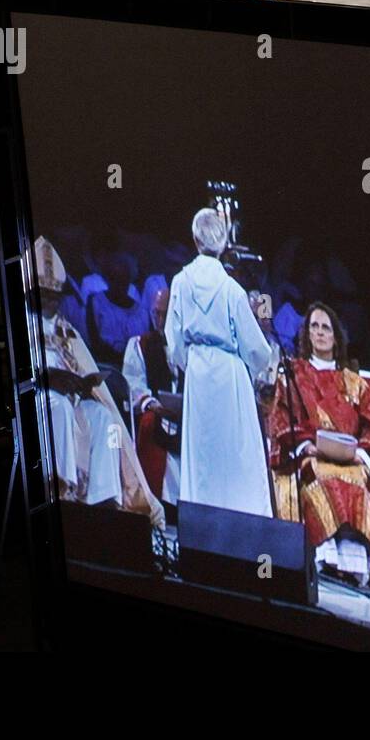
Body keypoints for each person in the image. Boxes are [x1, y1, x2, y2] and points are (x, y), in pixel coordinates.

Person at [35, 236, 164, 527]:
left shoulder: (65, 331)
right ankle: (62, 493)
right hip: (38, 397)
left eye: (55, 296)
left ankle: (104, 501)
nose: (51, 302)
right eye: (45, 294)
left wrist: (82, 383)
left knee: (104, 417)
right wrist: (48, 377)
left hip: (70, 396)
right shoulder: (22, 327)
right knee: (60, 409)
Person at [267, 302, 370, 585]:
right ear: (306, 334)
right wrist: (304, 446)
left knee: (356, 480)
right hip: (310, 456)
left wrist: (361, 453)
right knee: (320, 476)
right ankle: (327, 556)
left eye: (326, 327)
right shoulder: (292, 374)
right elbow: (280, 421)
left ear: (336, 336)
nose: (320, 333)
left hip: (351, 460)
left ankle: (354, 561)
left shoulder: (355, 383)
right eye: (314, 326)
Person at [165, 208, 274, 516]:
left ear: (195, 238)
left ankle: (203, 522)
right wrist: (252, 367)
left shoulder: (181, 282)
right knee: (235, 452)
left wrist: (191, 364)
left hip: (199, 372)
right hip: (230, 372)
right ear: (223, 242)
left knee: (203, 453)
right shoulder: (231, 289)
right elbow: (255, 347)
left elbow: (173, 339)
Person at [123, 283, 181, 509]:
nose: (159, 318)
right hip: (157, 411)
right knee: (150, 423)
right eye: (155, 313)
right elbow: (133, 382)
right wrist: (152, 404)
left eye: (164, 314)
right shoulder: (140, 344)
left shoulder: (186, 348)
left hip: (184, 414)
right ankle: (158, 501)